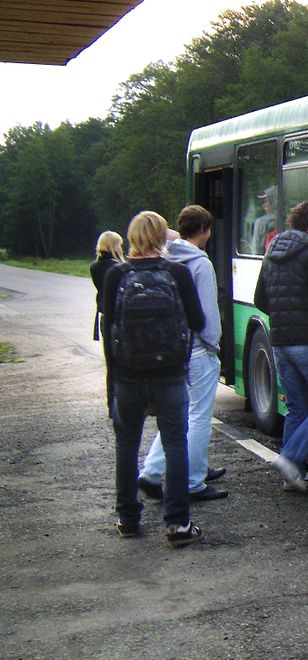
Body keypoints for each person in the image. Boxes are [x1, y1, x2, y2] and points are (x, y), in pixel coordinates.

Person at [99, 210, 206, 546]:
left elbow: (108, 328)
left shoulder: (117, 275)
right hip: (170, 373)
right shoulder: (177, 273)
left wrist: (112, 379)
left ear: (132, 238)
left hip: (129, 375)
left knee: (126, 445)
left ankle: (128, 519)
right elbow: (198, 321)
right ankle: (177, 525)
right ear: (163, 238)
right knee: (175, 444)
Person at [137, 205, 228, 503]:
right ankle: (193, 481)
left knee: (177, 416)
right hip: (199, 350)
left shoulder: (167, 258)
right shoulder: (201, 264)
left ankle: (151, 473)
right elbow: (207, 312)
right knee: (199, 417)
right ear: (204, 231)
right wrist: (214, 344)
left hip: (173, 348)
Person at [254, 200, 308, 491]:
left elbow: (259, 300)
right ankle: (290, 458)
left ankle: (295, 474)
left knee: (297, 407)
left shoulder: (271, 251)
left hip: (280, 342)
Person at [90, 230, 124, 410]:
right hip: (120, 317)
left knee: (110, 361)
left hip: (104, 317)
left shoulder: (95, 266)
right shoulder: (118, 268)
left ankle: (112, 403)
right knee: (123, 361)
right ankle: (123, 401)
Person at [249, 185, 279, 254]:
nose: (264, 205)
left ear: (274, 202)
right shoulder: (290, 220)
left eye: (266, 201)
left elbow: (256, 251)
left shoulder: (261, 222)